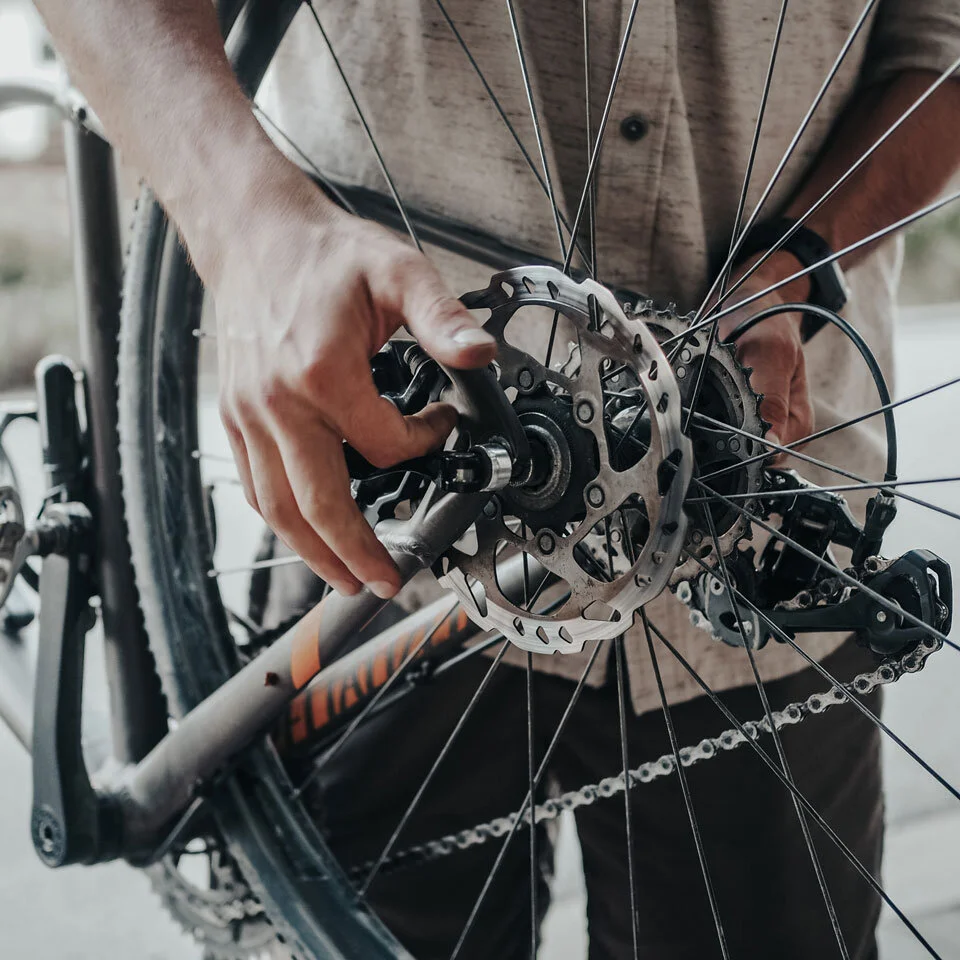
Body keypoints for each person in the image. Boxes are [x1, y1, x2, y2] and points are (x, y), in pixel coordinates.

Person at [34, 1, 960, 957]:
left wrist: (800, 263)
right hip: (394, 528)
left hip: (758, 535)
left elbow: (939, 49)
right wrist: (246, 224)